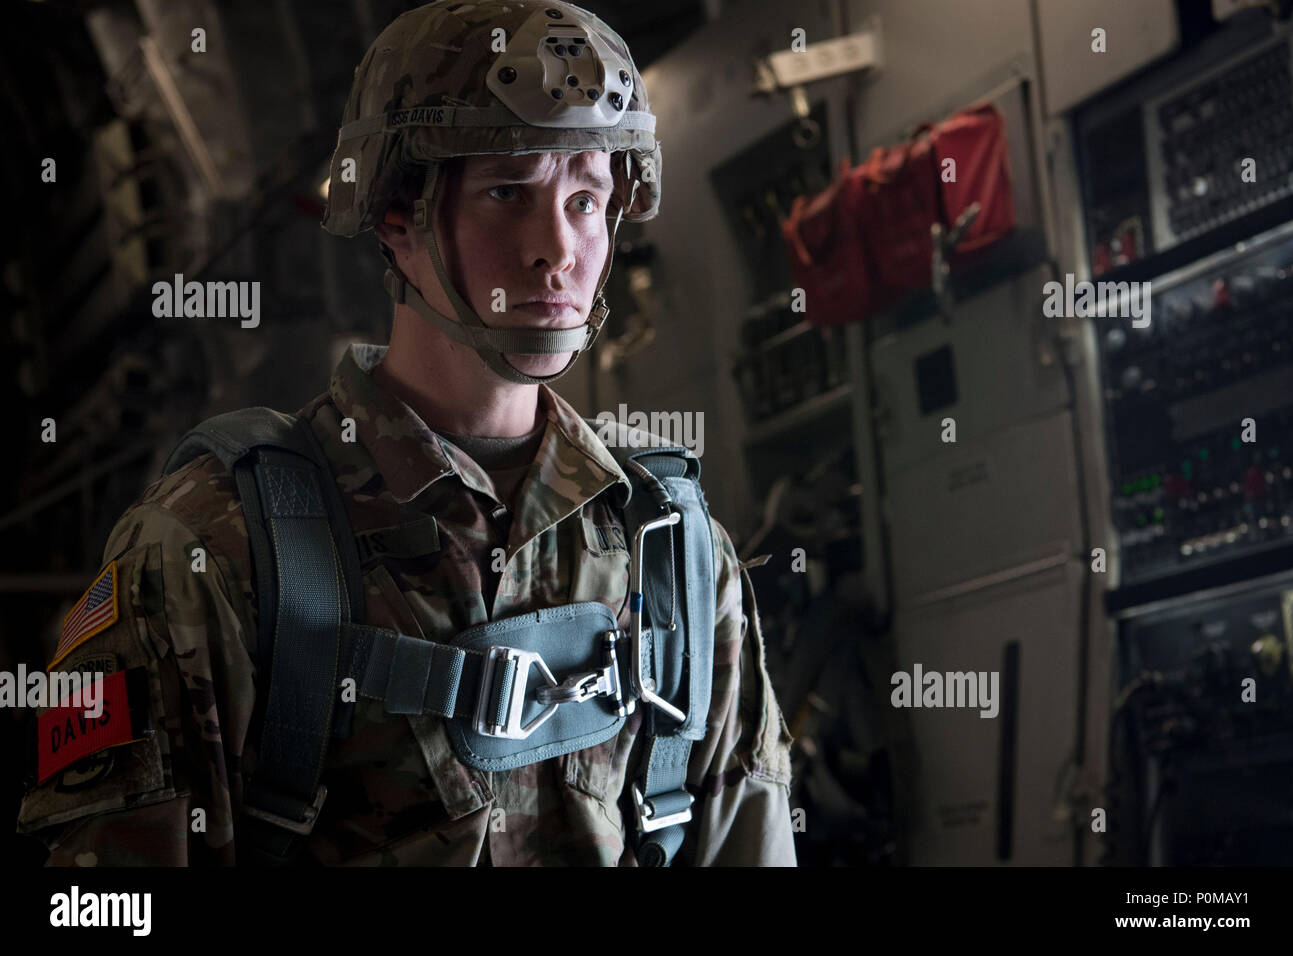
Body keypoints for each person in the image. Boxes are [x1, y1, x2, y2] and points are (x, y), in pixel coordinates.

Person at [15, 0, 796, 866]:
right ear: (396, 215)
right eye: (509, 193)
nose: (557, 249)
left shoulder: (678, 560)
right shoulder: (212, 549)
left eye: (586, 198)